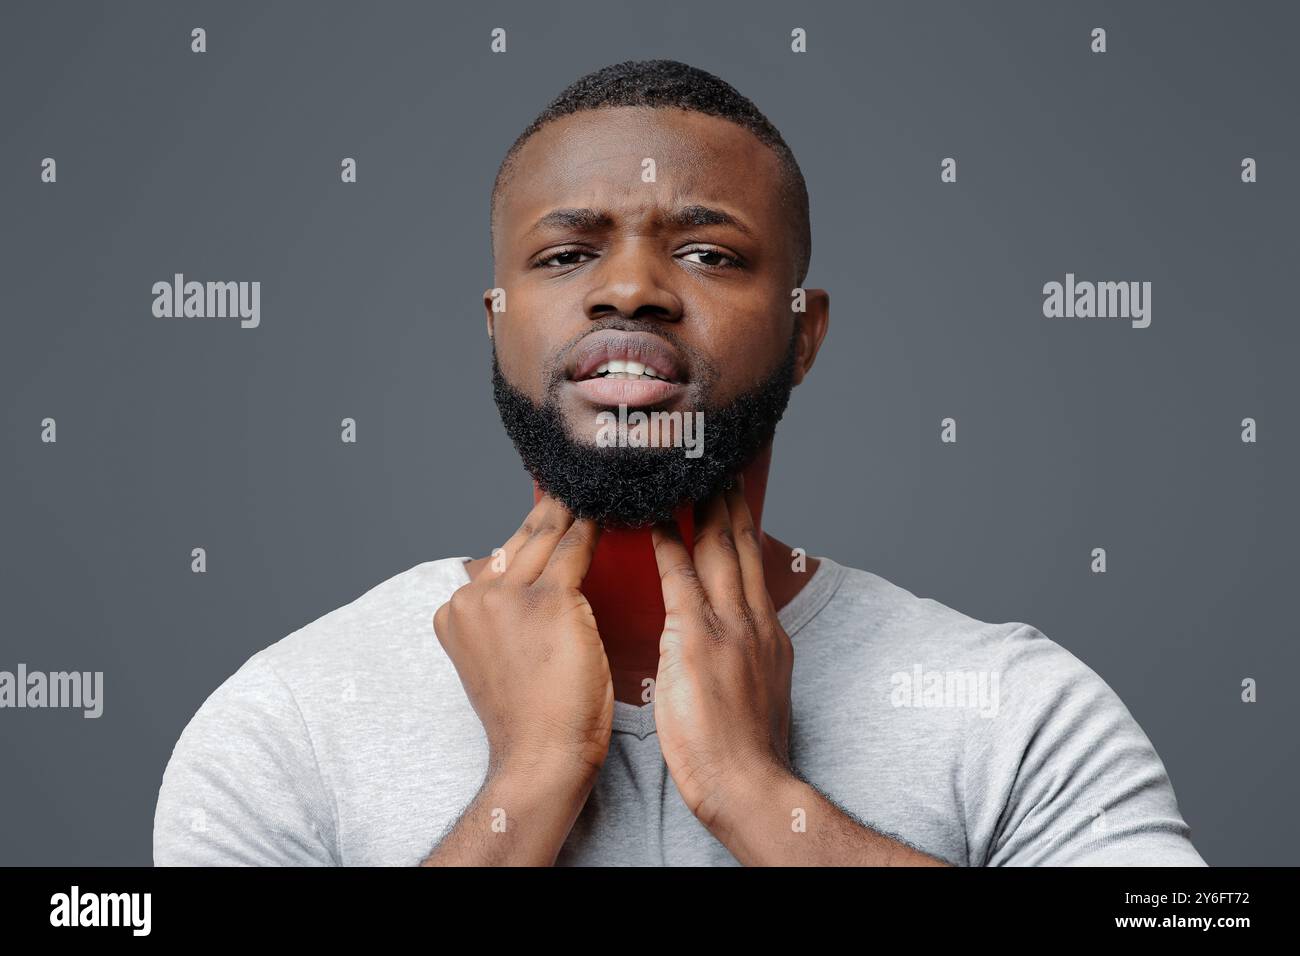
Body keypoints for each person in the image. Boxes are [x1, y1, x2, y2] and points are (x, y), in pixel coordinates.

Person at [153, 59, 1205, 866]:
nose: (630, 292)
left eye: (708, 253)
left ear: (804, 331)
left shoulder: (1016, 708)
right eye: (566, 256)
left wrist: (754, 792)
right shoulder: (284, 717)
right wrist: (523, 786)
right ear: (497, 324)